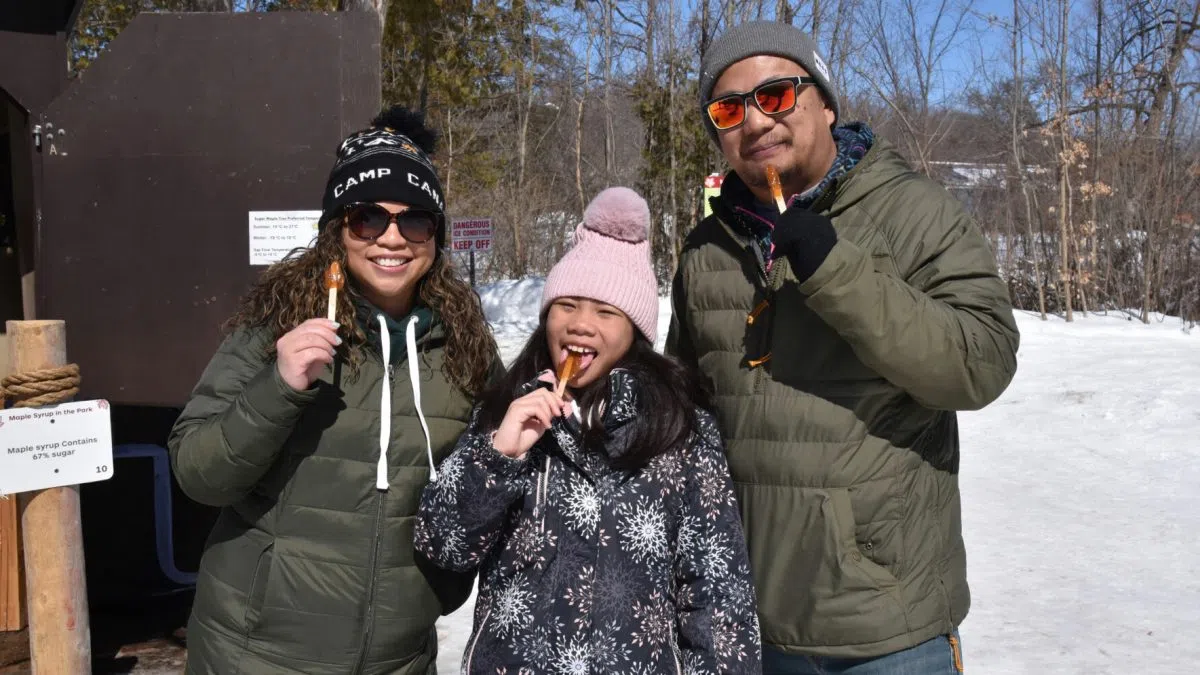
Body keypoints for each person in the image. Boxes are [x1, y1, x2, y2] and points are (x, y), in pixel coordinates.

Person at [667, 20, 1021, 674]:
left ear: (825, 102)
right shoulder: (706, 250)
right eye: (728, 108)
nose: (754, 120)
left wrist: (835, 269)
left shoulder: (915, 213)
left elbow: (983, 362)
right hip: (751, 623)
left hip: (890, 627)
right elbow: (685, 419)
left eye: (775, 95)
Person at [168, 105, 499, 675]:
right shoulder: (277, 326)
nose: (391, 238)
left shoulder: (465, 350)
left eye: (415, 219)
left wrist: (438, 589)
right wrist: (278, 387)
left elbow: (486, 483)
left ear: (435, 235)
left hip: (398, 659)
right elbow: (199, 474)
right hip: (256, 654)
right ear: (337, 229)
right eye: (367, 218)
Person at [415, 187, 762, 674]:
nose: (581, 325)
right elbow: (443, 546)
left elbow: (718, 591)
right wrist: (500, 455)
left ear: (634, 329)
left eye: (606, 312)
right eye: (567, 305)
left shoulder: (679, 427)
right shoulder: (508, 410)